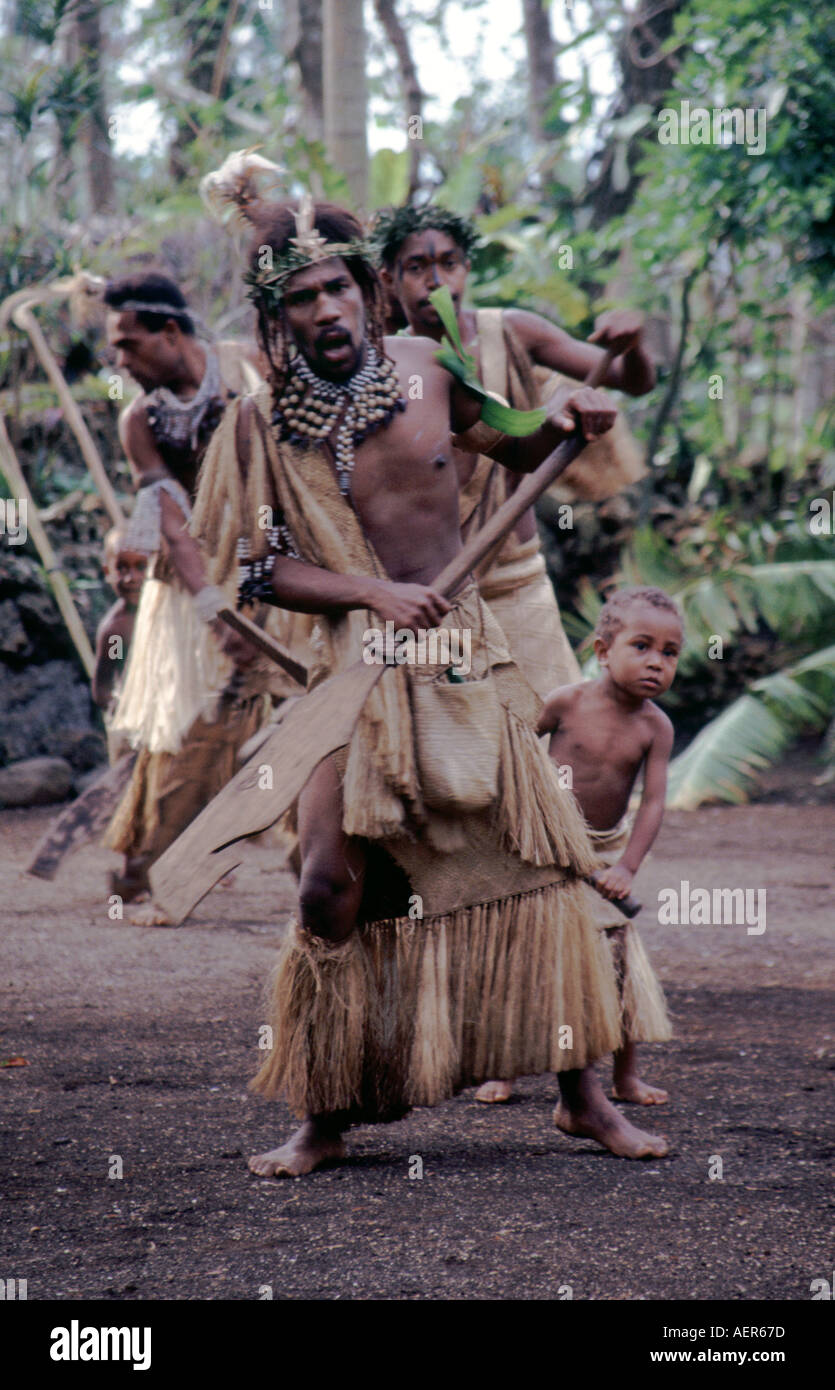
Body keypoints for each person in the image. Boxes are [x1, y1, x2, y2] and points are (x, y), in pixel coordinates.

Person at [189, 184, 669, 1174]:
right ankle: (323, 1116)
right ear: (275, 317)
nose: (323, 310)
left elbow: (522, 441)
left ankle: (582, 1099)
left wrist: (570, 410)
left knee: (544, 873)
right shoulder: (258, 426)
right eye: (301, 299)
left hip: (464, 659)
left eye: (336, 288)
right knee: (327, 888)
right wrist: (369, 591)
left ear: (366, 292)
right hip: (349, 674)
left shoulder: (432, 368)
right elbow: (260, 568)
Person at [373, 202, 653, 709]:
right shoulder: (383, 360)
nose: (437, 281)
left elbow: (632, 379)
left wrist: (632, 344)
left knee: (549, 728)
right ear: (388, 278)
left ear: (467, 268)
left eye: (450, 263)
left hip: (514, 578)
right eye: (417, 267)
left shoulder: (511, 331)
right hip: (432, 592)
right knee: (450, 754)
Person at [100, 272, 295, 914]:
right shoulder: (140, 421)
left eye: (128, 344)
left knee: (298, 710)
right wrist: (214, 607)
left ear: (172, 332)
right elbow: (172, 520)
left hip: (283, 560)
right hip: (191, 581)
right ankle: (153, 861)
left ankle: (320, 862)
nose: (119, 361)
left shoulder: (252, 368)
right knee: (183, 726)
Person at [541, 585, 680, 1117]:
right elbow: (514, 752)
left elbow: (654, 802)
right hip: (548, 849)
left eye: (669, 653)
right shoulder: (565, 702)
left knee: (620, 969)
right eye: (641, 646)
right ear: (602, 651)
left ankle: (624, 1076)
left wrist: (627, 866)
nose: (656, 663)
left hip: (606, 854)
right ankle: (506, 1068)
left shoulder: (655, 726)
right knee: (535, 959)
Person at [92, 527, 147, 763]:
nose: (130, 578)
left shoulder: (168, 612)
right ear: (107, 571)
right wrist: (122, 710)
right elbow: (103, 686)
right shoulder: (116, 631)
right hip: (134, 723)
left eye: (140, 567)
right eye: (121, 568)